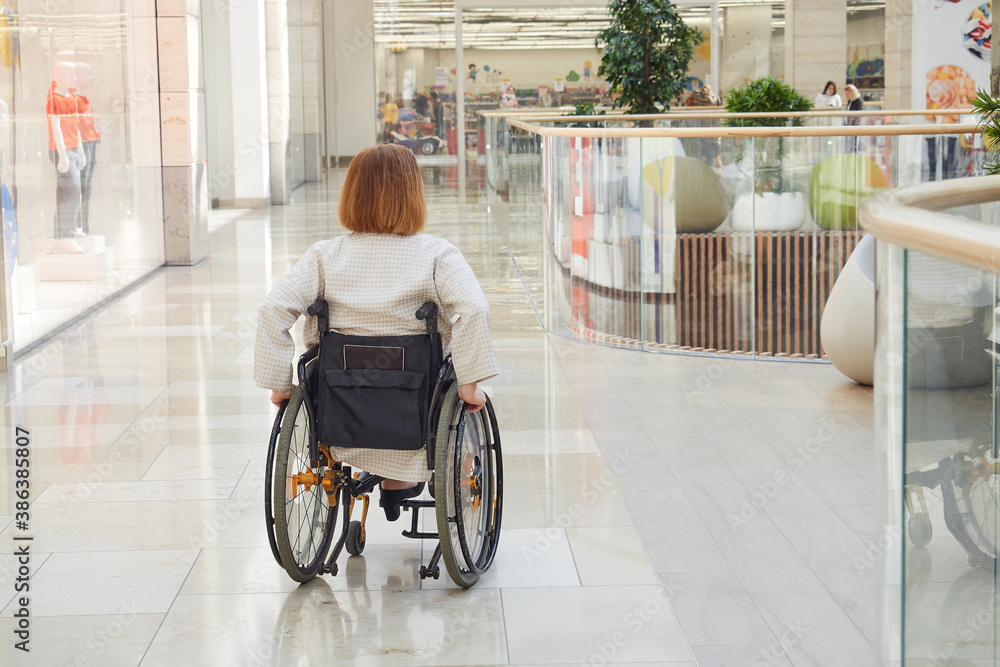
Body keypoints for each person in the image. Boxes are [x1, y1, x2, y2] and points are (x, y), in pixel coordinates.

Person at [254, 143, 498, 521]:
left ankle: (389, 478)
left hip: (340, 415)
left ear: (352, 194)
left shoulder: (324, 256)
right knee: (464, 389)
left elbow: (273, 308)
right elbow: (473, 309)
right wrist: (468, 382)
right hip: (419, 411)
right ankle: (401, 479)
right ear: (414, 195)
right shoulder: (437, 255)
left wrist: (279, 383)